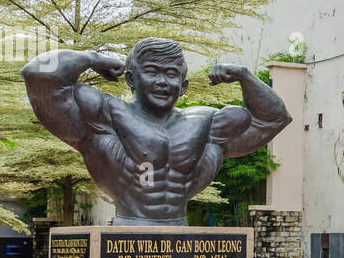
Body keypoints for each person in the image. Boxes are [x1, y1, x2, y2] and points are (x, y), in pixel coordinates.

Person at [22, 37, 291, 225]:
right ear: (130, 79)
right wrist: (93, 58)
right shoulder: (104, 115)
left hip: (180, 230)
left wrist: (245, 76)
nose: (163, 82)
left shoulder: (205, 123)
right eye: (151, 72)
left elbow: (273, 119)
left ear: (183, 86)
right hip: (127, 228)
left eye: (172, 74)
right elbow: (38, 74)